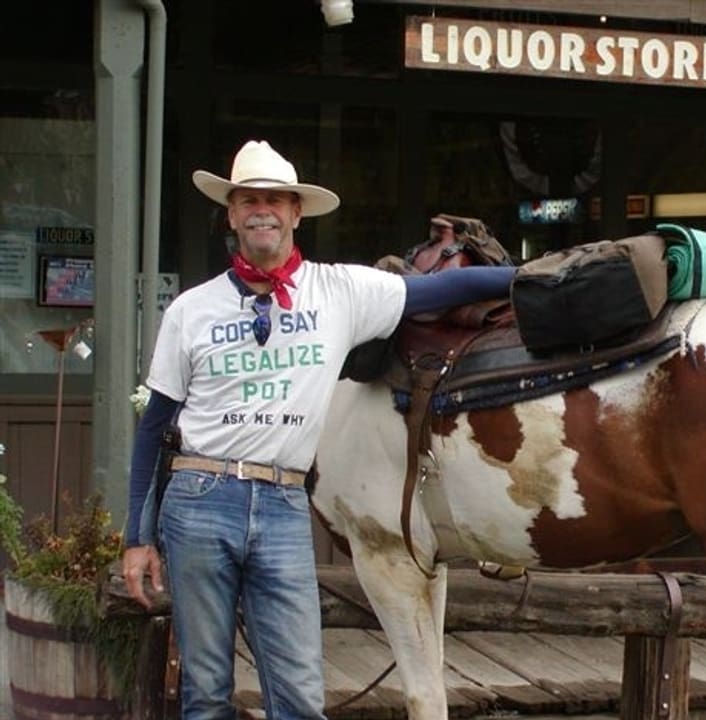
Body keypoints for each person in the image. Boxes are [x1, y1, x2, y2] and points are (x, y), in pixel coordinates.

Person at [121, 139, 515, 720]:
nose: (262, 210)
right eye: (249, 199)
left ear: (295, 212)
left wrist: (527, 277)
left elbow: (437, 291)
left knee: (301, 696)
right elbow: (155, 425)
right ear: (231, 213)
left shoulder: (339, 292)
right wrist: (138, 534)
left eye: (275, 200)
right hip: (200, 499)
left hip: (282, 501)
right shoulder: (191, 309)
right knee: (205, 693)